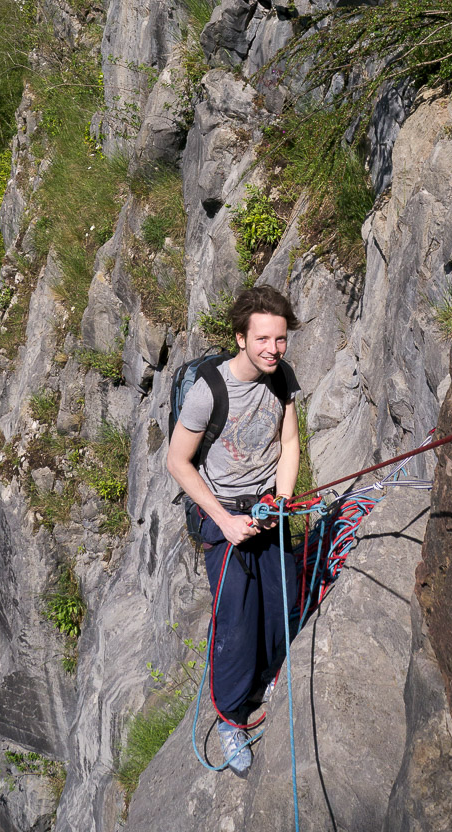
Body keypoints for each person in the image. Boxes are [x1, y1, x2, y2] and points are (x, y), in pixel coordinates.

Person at [166, 285, 301, 776]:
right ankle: (229, 719)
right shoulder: (210, 390)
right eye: (263, 338)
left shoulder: (282, 377)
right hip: (224, 517)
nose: (273, 348)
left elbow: (289, 440)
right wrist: (224, 520)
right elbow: (178, 462)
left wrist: (282, 502)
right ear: (241, 337)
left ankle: (266, 677)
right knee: (237, 623)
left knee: (283, 601)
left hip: (267, 510)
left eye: (280, 339)